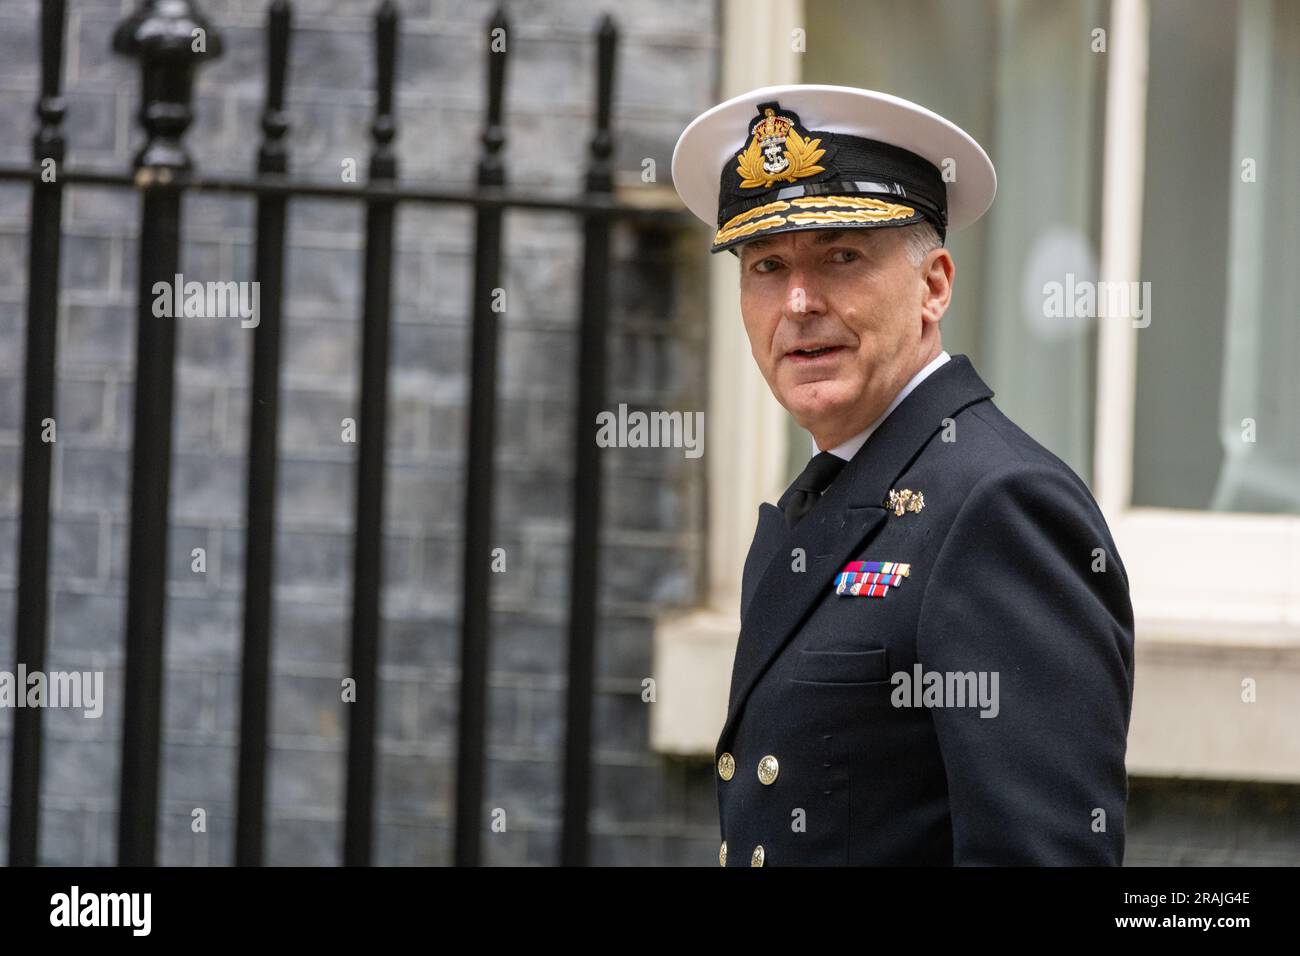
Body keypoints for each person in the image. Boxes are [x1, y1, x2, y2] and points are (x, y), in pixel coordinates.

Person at [671, 84, 1135, 866]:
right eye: (767, 264)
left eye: (841, 257)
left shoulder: (998, 505)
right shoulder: (836, 491)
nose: (798, 300)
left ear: (934, 286)